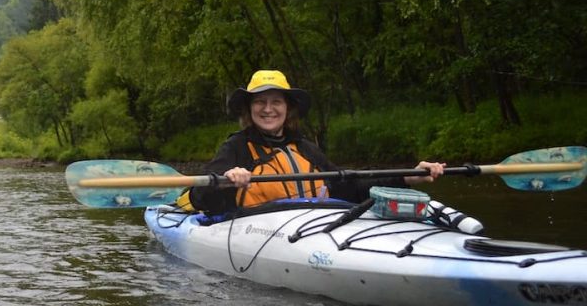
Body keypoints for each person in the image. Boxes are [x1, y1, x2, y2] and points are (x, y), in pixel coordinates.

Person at [185, 70, 444, 215]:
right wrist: (224, 180)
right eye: (260, 102)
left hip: (314, 227)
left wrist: (408, 177)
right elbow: (199, 197)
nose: (268, 109)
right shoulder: (236, 147)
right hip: (256, 230)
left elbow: (350, 185)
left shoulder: (306, 149)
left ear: (288, 109)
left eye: (276, 102)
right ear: (249, 109)